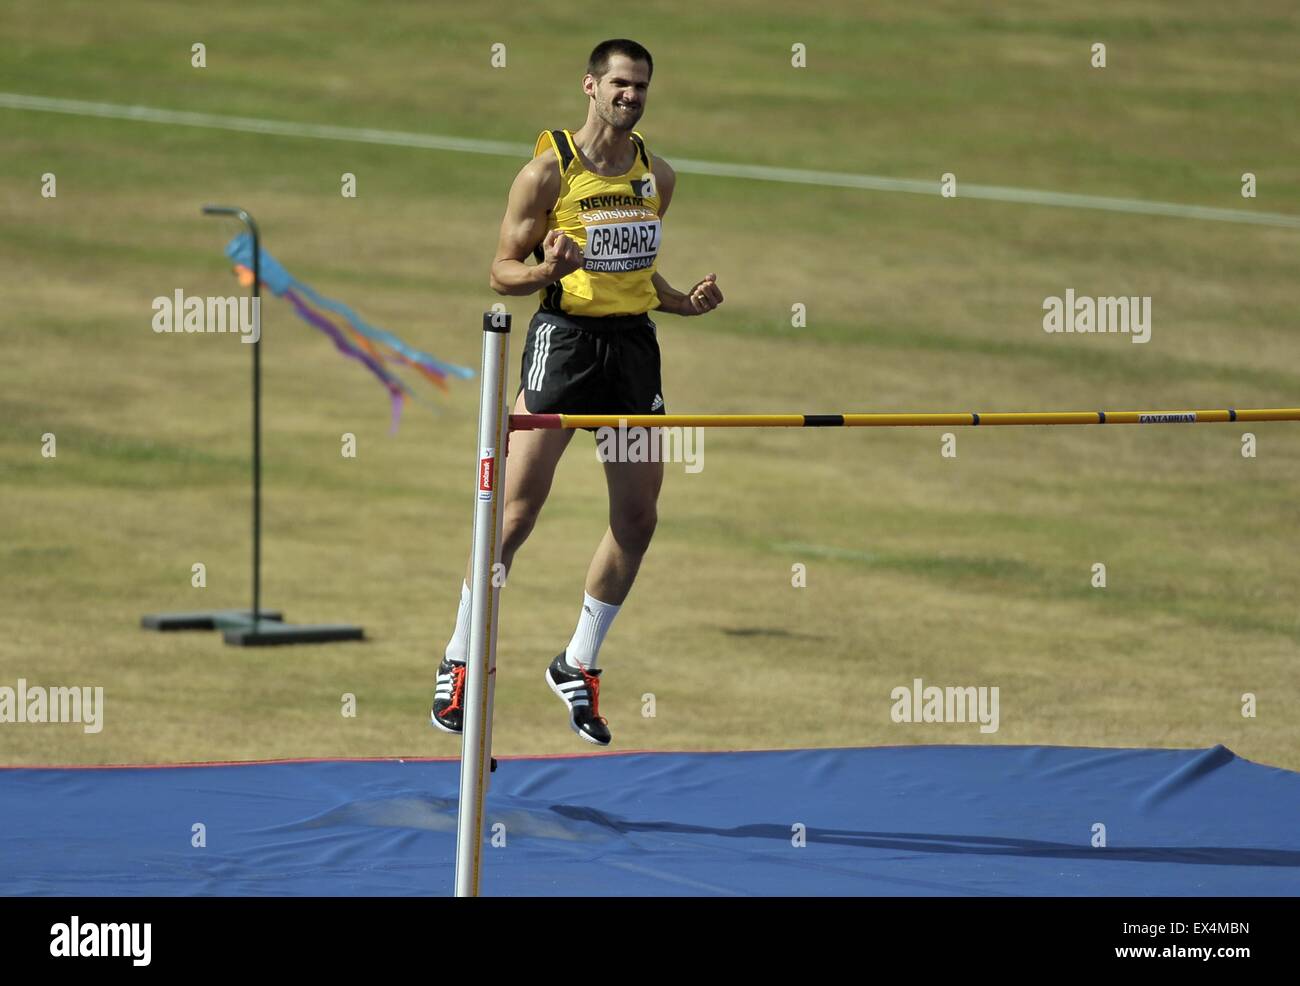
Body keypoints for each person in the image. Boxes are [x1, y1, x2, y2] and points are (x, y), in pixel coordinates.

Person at [432, 38, 723, 746]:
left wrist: (681, 302)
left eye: (642, 86)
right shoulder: (546, 175)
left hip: (632, 354)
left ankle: (576, 662)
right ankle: (460, 661)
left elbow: (635, 270)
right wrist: (545, 271)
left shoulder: (659, 175)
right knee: (513, 517)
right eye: (621, 84)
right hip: (564, 348)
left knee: (638, 519)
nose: (632, 96)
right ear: (590, 86)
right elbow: (501, 271)